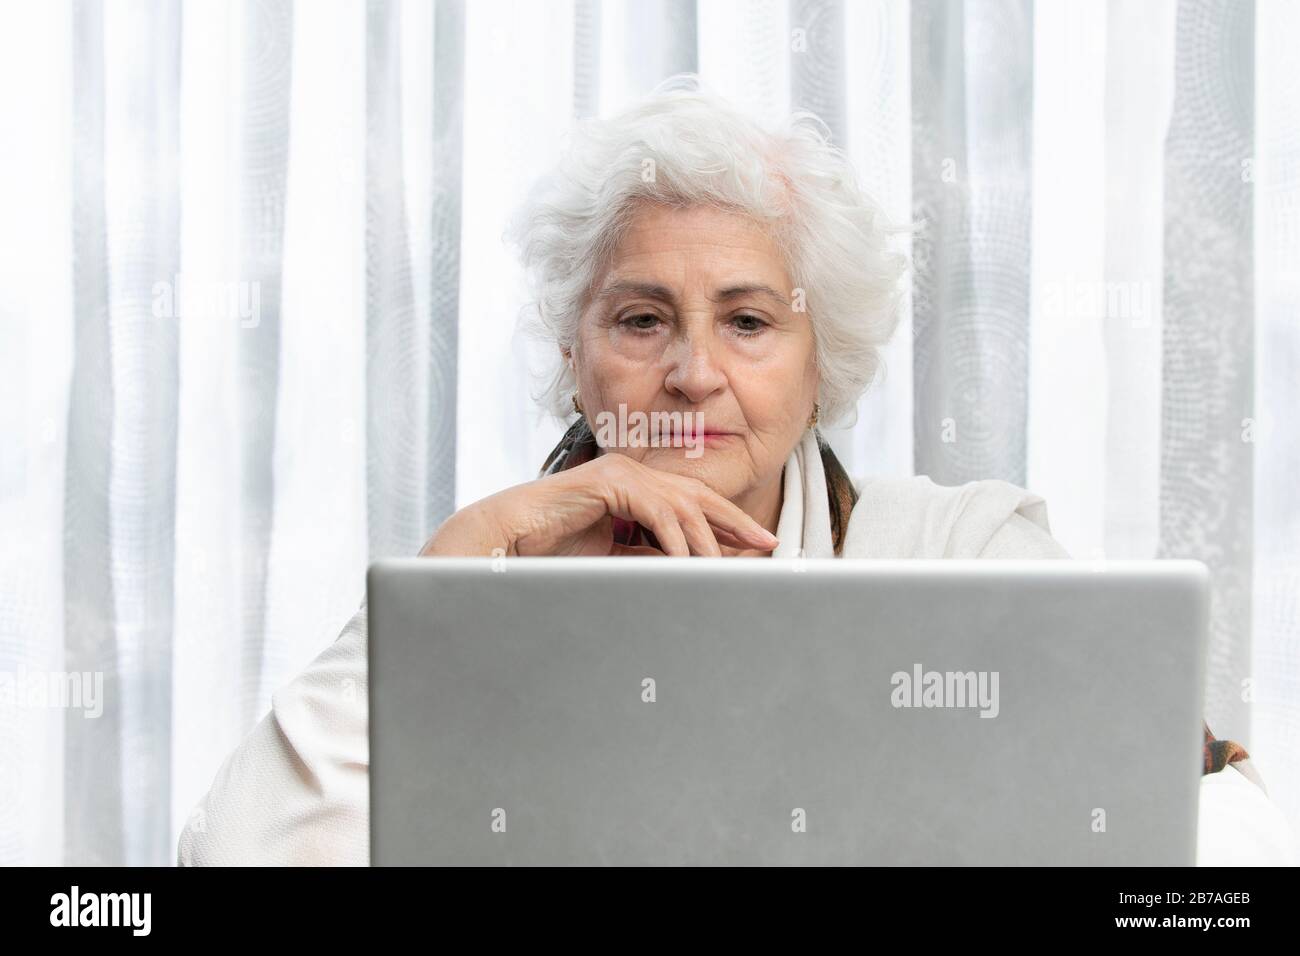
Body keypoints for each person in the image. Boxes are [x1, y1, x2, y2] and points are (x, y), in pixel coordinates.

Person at [177, 78, 1295, 866]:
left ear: (824, 363)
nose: (692, 372)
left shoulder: (960, 552)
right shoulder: (483, 585)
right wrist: (461, 559)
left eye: (749, 321)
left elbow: (1217, 842)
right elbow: (239, 861)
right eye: (640, 318)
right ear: (575, 356)